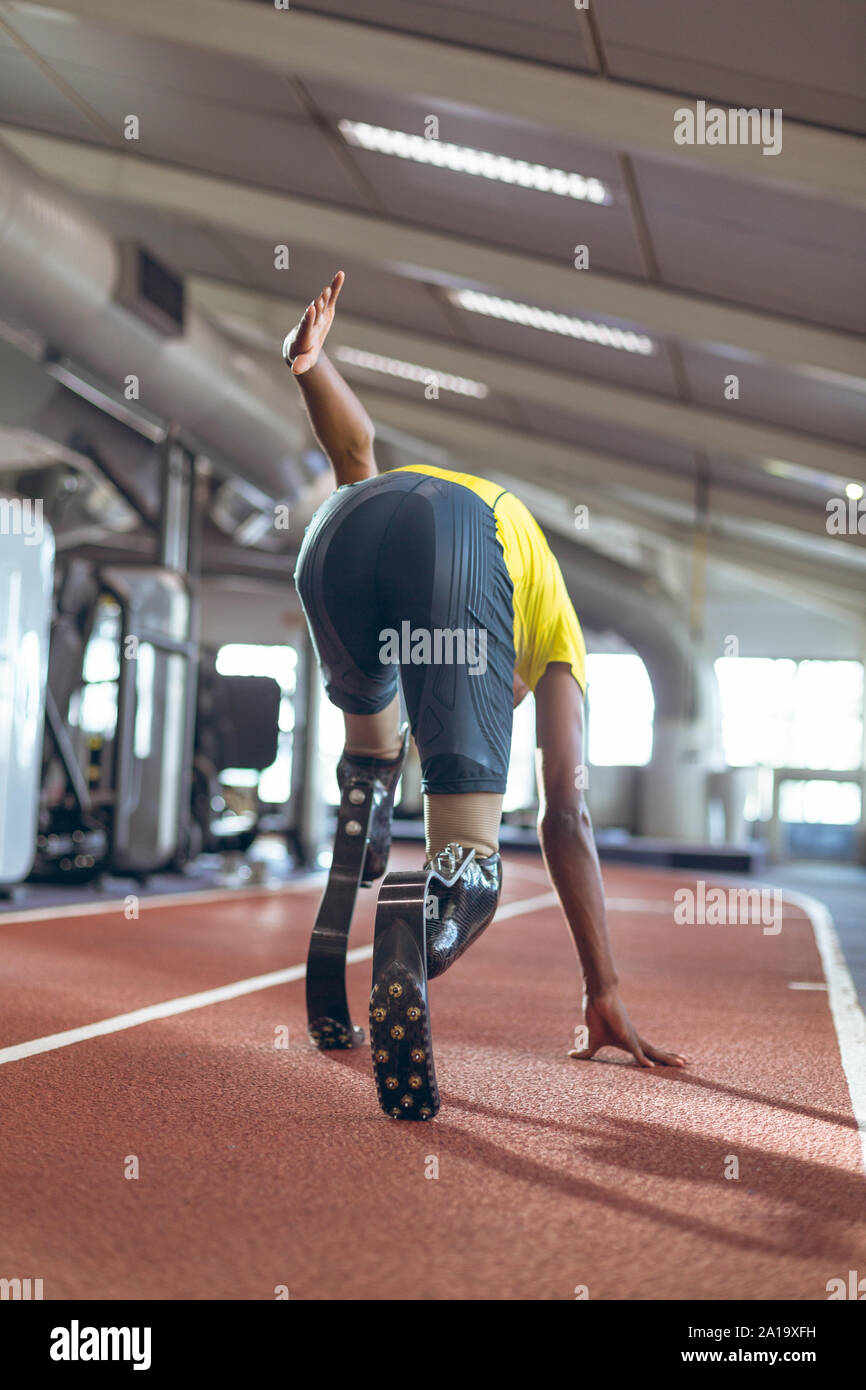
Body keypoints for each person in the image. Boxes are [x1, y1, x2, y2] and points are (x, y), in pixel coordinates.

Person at [285, 271, 686, 1098]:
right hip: (453, 548)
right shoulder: (556, 629)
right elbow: (565, 809)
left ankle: (365, 805)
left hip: (335, 542)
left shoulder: (477, 560)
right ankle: (407, 936)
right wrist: (602, 985)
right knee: (471, 865)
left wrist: (310, 366)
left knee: (380, 726)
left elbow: (354, 454)